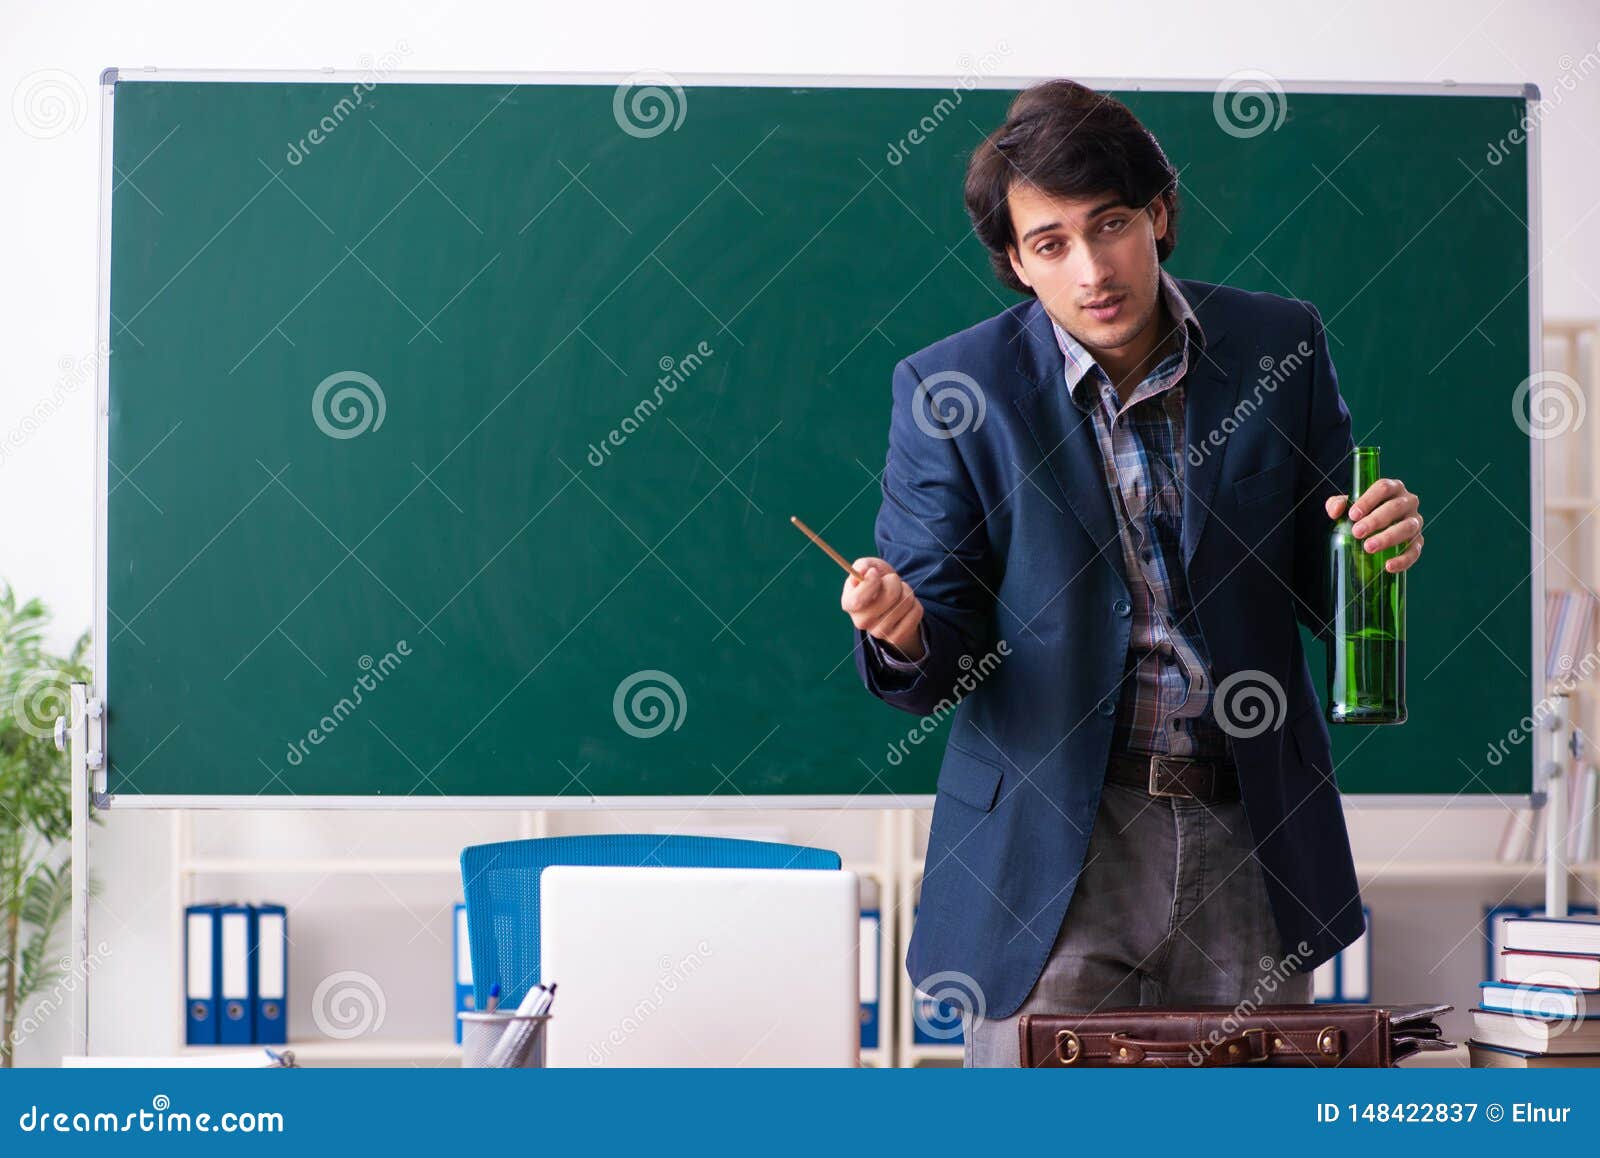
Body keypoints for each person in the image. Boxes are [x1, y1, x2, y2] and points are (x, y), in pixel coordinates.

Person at [842, 79, 1425, 1067]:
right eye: (1050, 243)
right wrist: (901, 630)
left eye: (1108, 224)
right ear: (1017, 265)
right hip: (1050, 848)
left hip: (1249, 834)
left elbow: (1320, 588)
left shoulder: (1277, 345)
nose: (1090, 268)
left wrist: (1370, 556)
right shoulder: (952, 389)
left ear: (1157, 216)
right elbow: (937, 643)